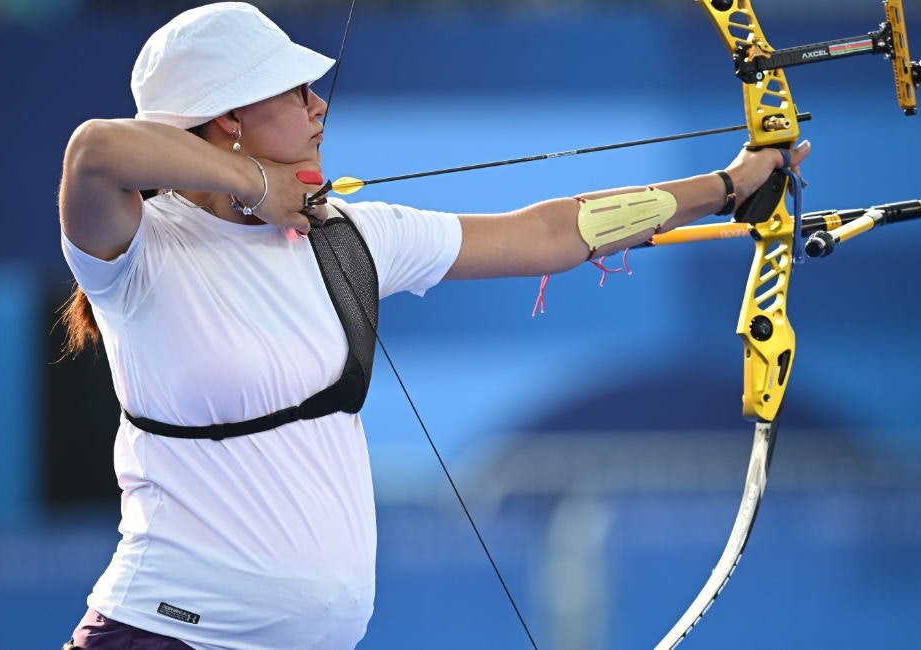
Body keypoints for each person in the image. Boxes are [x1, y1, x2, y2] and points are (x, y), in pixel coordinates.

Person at [56, 2, 810, 649]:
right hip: (164, 634)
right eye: (296, 92)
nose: (320, 106)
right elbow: (94, 150)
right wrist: (259, 185)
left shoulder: (347, 235)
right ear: (229, 117)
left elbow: (546, 234)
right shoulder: (141, 247)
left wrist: (727, 186)